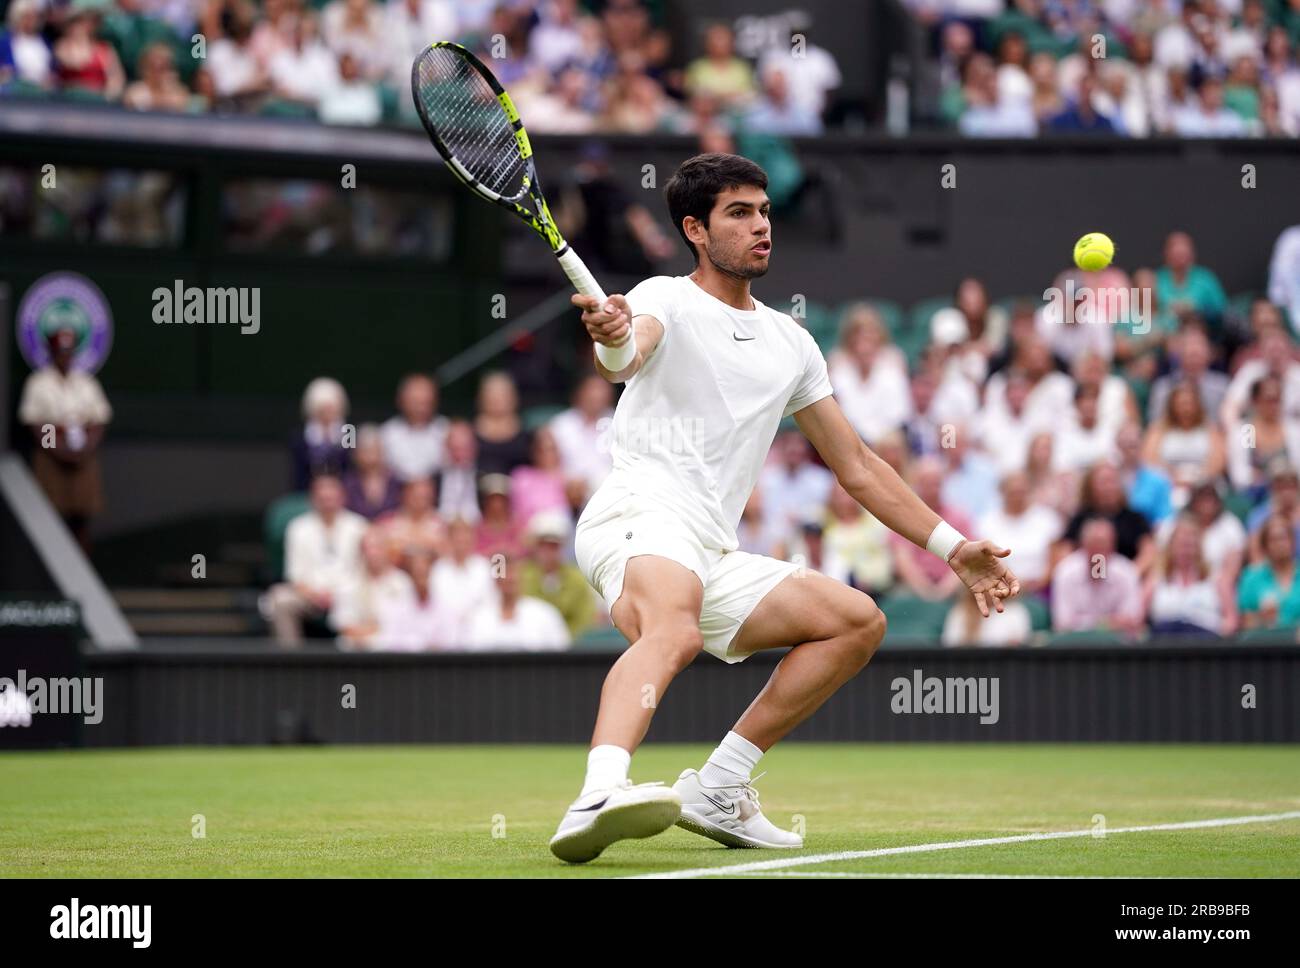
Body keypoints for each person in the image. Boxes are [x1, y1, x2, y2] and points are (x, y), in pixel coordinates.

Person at [553, 153, 1020, 863]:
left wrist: (955, 548)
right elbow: (626, 352)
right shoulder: (663, 298)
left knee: (855, 622)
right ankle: (596, 793)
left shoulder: (791, 342)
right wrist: (615, 339)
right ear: (696, 231)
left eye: (764, 211)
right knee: (672, 631)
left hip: (710, 545)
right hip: (637, 512)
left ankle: (719, 786)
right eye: (738, 213)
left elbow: (857, 466)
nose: (761, 225)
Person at [18, 328, 113, 552]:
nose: (65, 356)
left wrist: (84, 450)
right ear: (51, 352)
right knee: (52, 517)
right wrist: (60, 451)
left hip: (82, 455)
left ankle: (82, 574)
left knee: (81, 517)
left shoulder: (86, 382)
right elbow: (38, 424)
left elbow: (99, 421)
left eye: (69, 351)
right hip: (53, 457)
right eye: (60, 351)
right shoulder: (38, 383)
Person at [267, 474, 368, 645]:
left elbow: (364, 571)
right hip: (310, 596)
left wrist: (340, 593)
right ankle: (291, 662)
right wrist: (315, 595)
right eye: (322, 498)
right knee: (278, 600)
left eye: (332, 498)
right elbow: (295, 575)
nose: (327, 503)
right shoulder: (298, 528)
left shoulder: (359, 526)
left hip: (351, 594)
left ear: (342, 498)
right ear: (313, 499)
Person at [1050, 517, 1145, 637]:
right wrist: (1107, 623)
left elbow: (1133, 620)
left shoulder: (1126, 572)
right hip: (1076, 646)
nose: (1099, 552)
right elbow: (1062, 623)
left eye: (1104, 545)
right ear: (1083, 546)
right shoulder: (1065, 572)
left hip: (1118, 647)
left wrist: (1085, 623)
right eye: (1094, 545)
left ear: (1113, 547)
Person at [465, 555, 571, 652]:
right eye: (503, 574)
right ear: (495, 580)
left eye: (513, 572)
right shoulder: (478, 618)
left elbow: (561, 654)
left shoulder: (545, 614)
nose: (509, 578)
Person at [519, 511, 597, 639]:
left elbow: (585, 619)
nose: (548, 552)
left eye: (554, 546)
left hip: (571, 651)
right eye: (543, 545)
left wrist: (563, 643)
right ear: (535, 547)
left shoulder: (577, 579)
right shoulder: (522, 576)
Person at [380, 373, 449, 483]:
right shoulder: (386, 434)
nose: (420, 408)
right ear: (400, 401)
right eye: (415, 402)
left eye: (425, 402)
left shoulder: (448, 431)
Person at [1237, 513, 1300, 630]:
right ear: (1265, 546)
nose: (1280, 544)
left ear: (1293, 542)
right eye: (1273, 540)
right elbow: (1245, 625)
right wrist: (1262, 618)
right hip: (1266, 644)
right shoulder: (1251, 578)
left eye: (1284, 538)